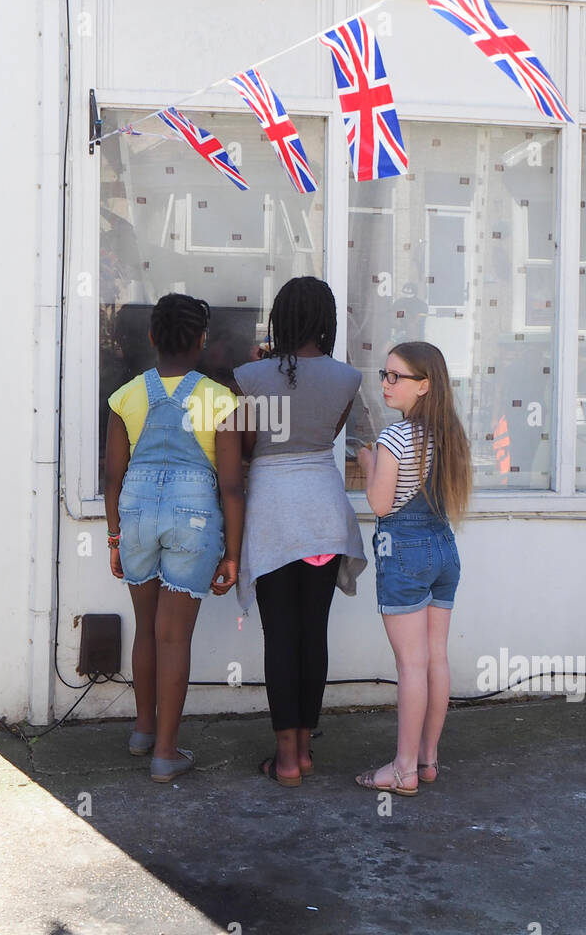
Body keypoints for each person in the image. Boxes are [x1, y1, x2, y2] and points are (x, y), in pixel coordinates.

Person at [104, 294, 245, 783]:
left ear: (151, 337)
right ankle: (167, 752)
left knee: (145, 627)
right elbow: (231, 484)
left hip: (137, 511)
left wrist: (114, 538)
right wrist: (233, 553)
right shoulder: (220, 399)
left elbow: (112, 478)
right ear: (202, 340)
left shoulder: (125, 397)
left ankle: (143, 731)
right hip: (195, 515)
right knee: (174, 635)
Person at [233, 277, 367, 787]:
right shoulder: (348, 378)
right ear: (327, 321)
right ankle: (305, 752)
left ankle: (284, 759)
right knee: (314, 634)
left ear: (280, 319)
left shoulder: (247, 376)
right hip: (325, 514)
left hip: (273, 516)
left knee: (279, 637)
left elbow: (246, 447)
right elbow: (325, 437)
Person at [355, 341, 471, 796]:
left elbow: (381, 503)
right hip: (443, 548)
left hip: (403, 551)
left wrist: (368, 463)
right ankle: (428, 760)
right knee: (435, 657)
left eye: (395, 377)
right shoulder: (450, 435)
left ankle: (402, 769)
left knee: (411, 665)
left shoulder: (394, 438)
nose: (385, 383)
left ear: (424, 385)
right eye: (384, 374)